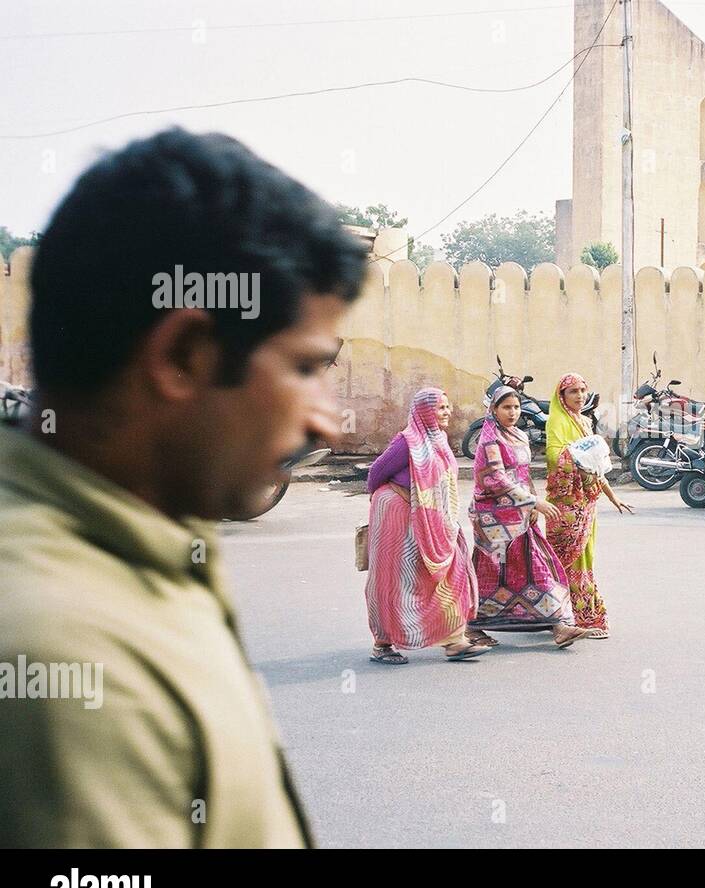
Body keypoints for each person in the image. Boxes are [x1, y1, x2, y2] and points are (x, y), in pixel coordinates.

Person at [0, 128, 368, 846]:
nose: (326, 422)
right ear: (183, 357)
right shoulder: (66, 658)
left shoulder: (152, 543)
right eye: (303, 368)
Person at [365, 388, 488, 663]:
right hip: (397, 515)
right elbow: (376, 474)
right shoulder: (406, 442)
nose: (448, 412)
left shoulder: (439, 440)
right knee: (396, 578)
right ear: (424, 412)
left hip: (434, 521)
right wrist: (393, 504)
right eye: (441, 408)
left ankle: (455, 640)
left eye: (448, 407)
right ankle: (383, 643)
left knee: (452, 569)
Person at [468, 386, 587, 648]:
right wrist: (534, 501)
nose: (512, 413)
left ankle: (559, 625)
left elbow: (524, 474)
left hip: (521, 515)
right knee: (490, 574)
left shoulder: (519, 435)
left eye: (516, 407)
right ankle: (471, 626)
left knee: (536, 568)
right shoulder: (489, 440)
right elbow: (495, 479)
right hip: (493, 519)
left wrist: (531, 505)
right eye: (506, 407)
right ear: (494, 410)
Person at [544, 373, 634, 639]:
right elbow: (552, 455)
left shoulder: (584, 421)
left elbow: (595, 465)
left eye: (583, 390)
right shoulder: (556, 421)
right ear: (561, 396)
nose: (580, 396)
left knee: (585, 558)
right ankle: (569, 618)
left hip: (586, 503)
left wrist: (611, 495)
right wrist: (575, 454)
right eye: (573, 391)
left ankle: (573, 615)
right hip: (566, 506)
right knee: (562, 561)